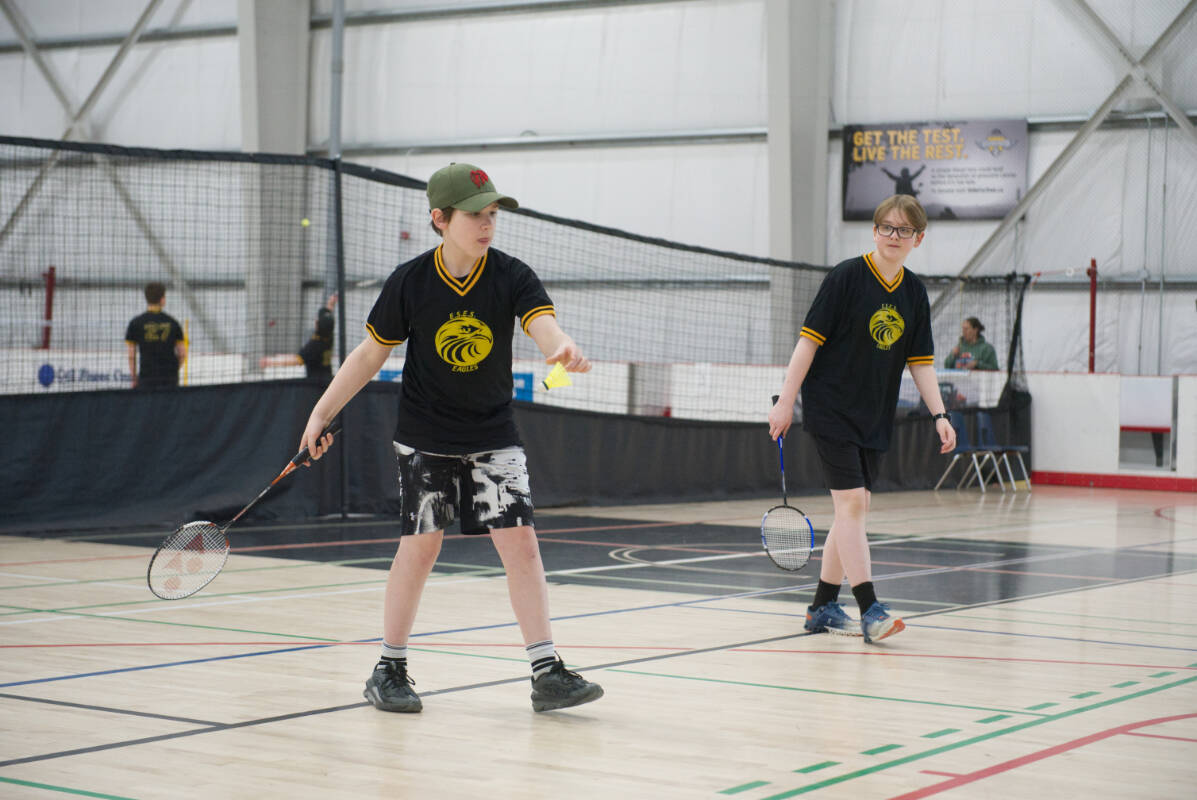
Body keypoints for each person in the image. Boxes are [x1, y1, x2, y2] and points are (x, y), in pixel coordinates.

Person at [299, 163, 603, 713]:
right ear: (439, 219)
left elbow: (542, 325)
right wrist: (321, 412)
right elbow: (370, 354)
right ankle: (388, 669)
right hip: (426, 435)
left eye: (492, 215)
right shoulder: (411, 282)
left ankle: (545, 670)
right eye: (475, 215)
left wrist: (560, 347)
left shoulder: (511, 275)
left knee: (522, 546)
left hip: (493, 434)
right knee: (422, 547)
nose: (487, 225)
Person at [767, 194, 956, 643]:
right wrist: (785, 401)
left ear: (918, 238)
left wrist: (940, 415)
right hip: (830, 407)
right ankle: (870, 608)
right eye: (886, 227)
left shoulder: (913, 292)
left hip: (875, 415)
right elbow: (808, 343)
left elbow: (921, 362)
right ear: (874, 231)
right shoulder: (846, 278)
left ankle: (822, 607)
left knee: (854, 510)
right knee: (852, 506)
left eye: (904, 230)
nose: (894, 236)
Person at [259, 293, 339, 381]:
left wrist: (270, 362)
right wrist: (331, 302)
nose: (316, 319)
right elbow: (328, 312)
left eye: (317, 320)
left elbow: (296, 361)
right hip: (328, 379)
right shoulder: (329, 335)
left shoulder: (314, 345)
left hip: (316, 384)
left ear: (317, 325)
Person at [125, 281, 186, 390]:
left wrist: (134, 378)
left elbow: (131, 356)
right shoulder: (173, 323)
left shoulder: (135, 323)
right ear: (162, 300)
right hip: (169, 379)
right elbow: (182, 354)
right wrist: (172, 370)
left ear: (146, 298)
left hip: (147, 377)